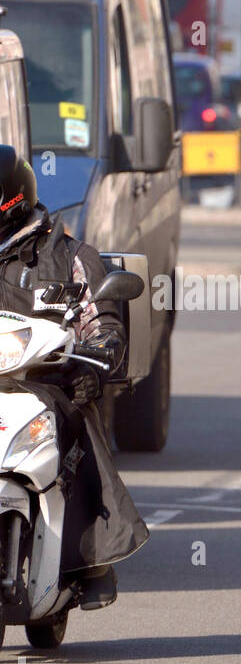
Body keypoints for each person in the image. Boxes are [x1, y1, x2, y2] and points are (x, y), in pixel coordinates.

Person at [0, 145, 147, 607]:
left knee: (76, 419)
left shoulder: (69, 256)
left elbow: (102, 320)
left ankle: (90, 560)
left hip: (44, 384)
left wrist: (94, 356)